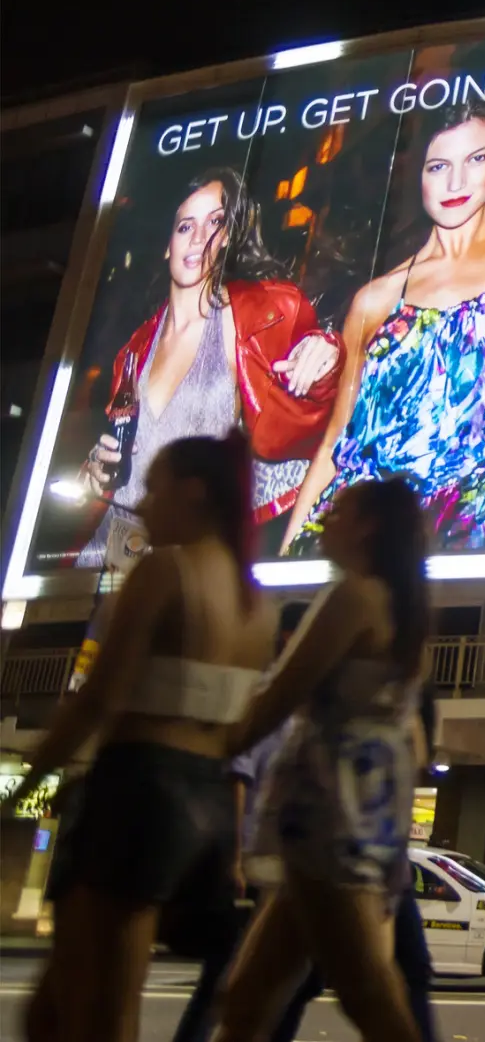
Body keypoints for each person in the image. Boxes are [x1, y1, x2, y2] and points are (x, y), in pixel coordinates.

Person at [281, 22, 485, 555]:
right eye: (440, 166)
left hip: (462, 526)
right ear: (420, 175)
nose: (457, 183)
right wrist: (281, 569)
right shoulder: (376, 298)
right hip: (353, 528)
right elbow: (334, 445)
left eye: (476, 160)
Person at [13, 433, 277, 1042]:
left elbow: (98, 698)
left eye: (153, 488)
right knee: (74, 1003)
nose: (144, 505)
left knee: (93, 1006)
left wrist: (27, 781)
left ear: (194, 492)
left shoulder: (165, 571)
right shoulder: (257, 605)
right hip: (203, 801)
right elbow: (239, 728)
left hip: (138, 787)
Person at [212, 478, 433, 1042]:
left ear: (368, 526)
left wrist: (204, 745)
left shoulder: (354, 596)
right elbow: (415, 744)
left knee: (370, 1000)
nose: (323, 520)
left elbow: (279, 698)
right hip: (359, 816)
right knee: (247, 1000)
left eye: (337, 511)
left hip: (326, 816)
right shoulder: (404, 611)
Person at [78, 170, 340, 567]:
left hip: (196, 553)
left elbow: (316, 414)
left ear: (231, 239)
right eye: (186, 226)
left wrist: (329, 352)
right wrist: (96, 471)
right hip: (117, 550)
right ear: (168, 244)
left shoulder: (263, 314)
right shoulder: (132, 351)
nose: (199, 238)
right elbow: (129, 456)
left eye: (215, 223)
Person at [270, 678, 443, 1041]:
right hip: (345, 826)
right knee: (382, 981)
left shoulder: (395, 658)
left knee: (272, 987)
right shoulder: (397, 656)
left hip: (350, 828)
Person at [170, 716, 295, 1042]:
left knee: (283, 984)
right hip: (257, 869)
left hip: (284, 872)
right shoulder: (275, 709)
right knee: (223, 980)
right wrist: (234, 858)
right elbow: (237, 777)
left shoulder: (308, 716)